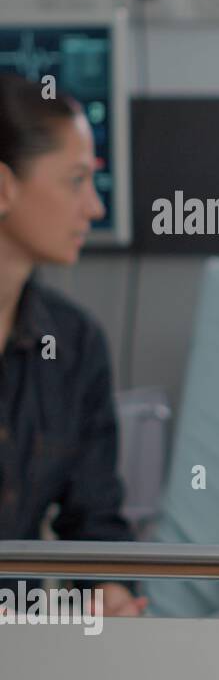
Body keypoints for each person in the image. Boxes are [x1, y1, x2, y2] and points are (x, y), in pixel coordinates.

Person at [0, 73, 146, 616]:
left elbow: (95, 521)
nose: (94, 208)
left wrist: (109, 592)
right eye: (76, 180)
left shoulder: (74, 345)